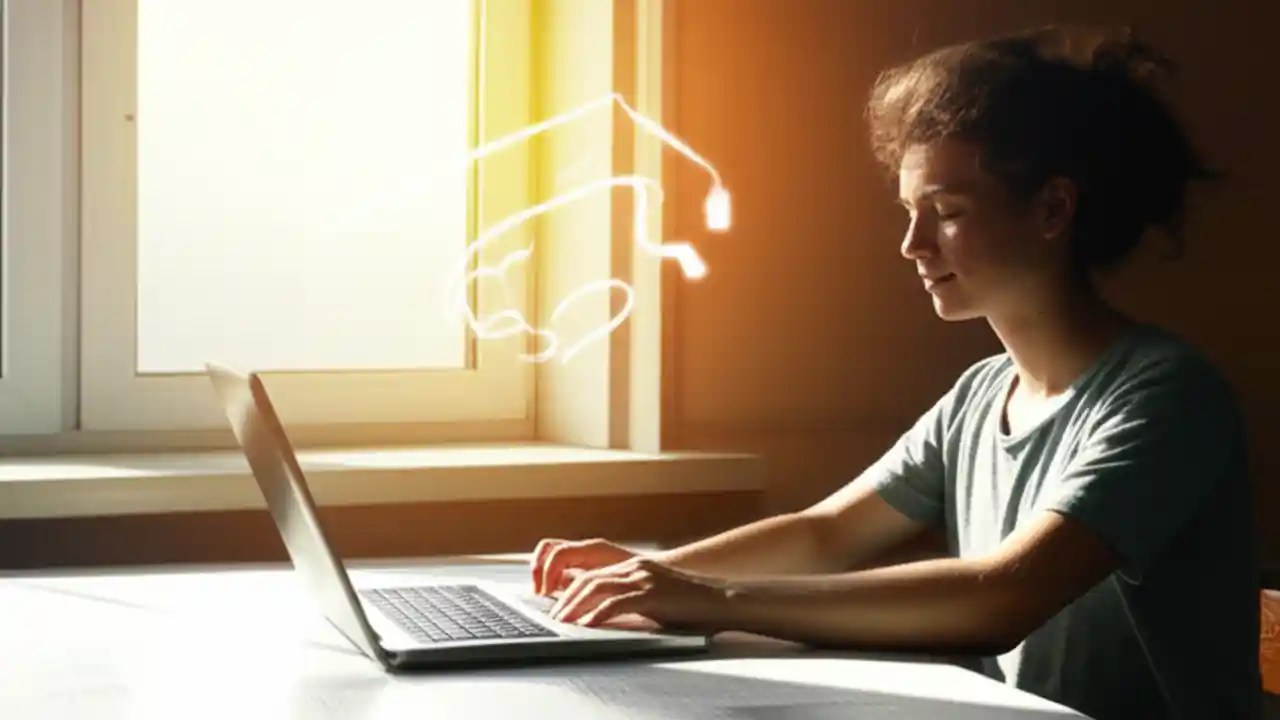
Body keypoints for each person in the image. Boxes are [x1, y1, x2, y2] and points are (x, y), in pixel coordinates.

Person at [528, 25, 1261, 720]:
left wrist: (705, 596)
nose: (912, 243)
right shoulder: (980, 395)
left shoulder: (1165, 397)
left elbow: (1000, 596)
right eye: (909, 211)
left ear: (1052, 208)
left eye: (945, 212)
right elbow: (826, 534)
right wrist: (635, 581)